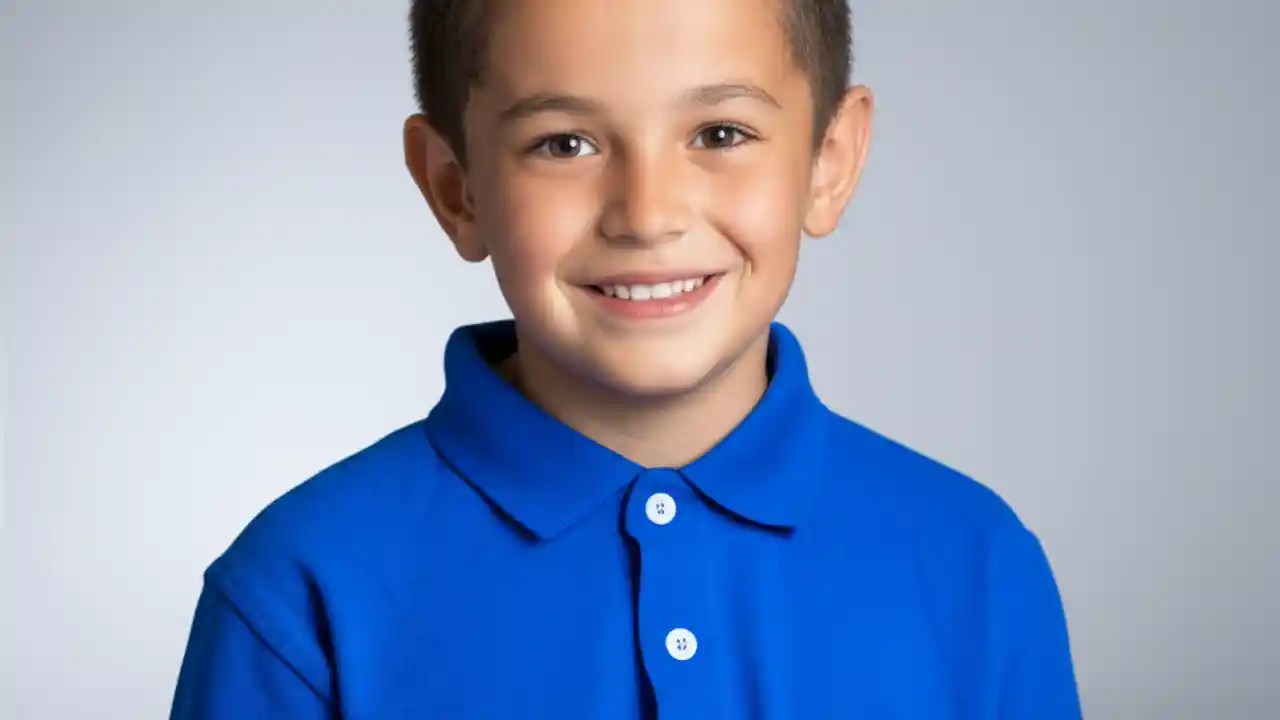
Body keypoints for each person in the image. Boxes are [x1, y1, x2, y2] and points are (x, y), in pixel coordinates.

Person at [170, 0, 1082, 717]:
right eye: (563, 144)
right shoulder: (301, 590)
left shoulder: (975, 562)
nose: (647, 213)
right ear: (457, 190)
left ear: (828, 161)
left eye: (720, 134)